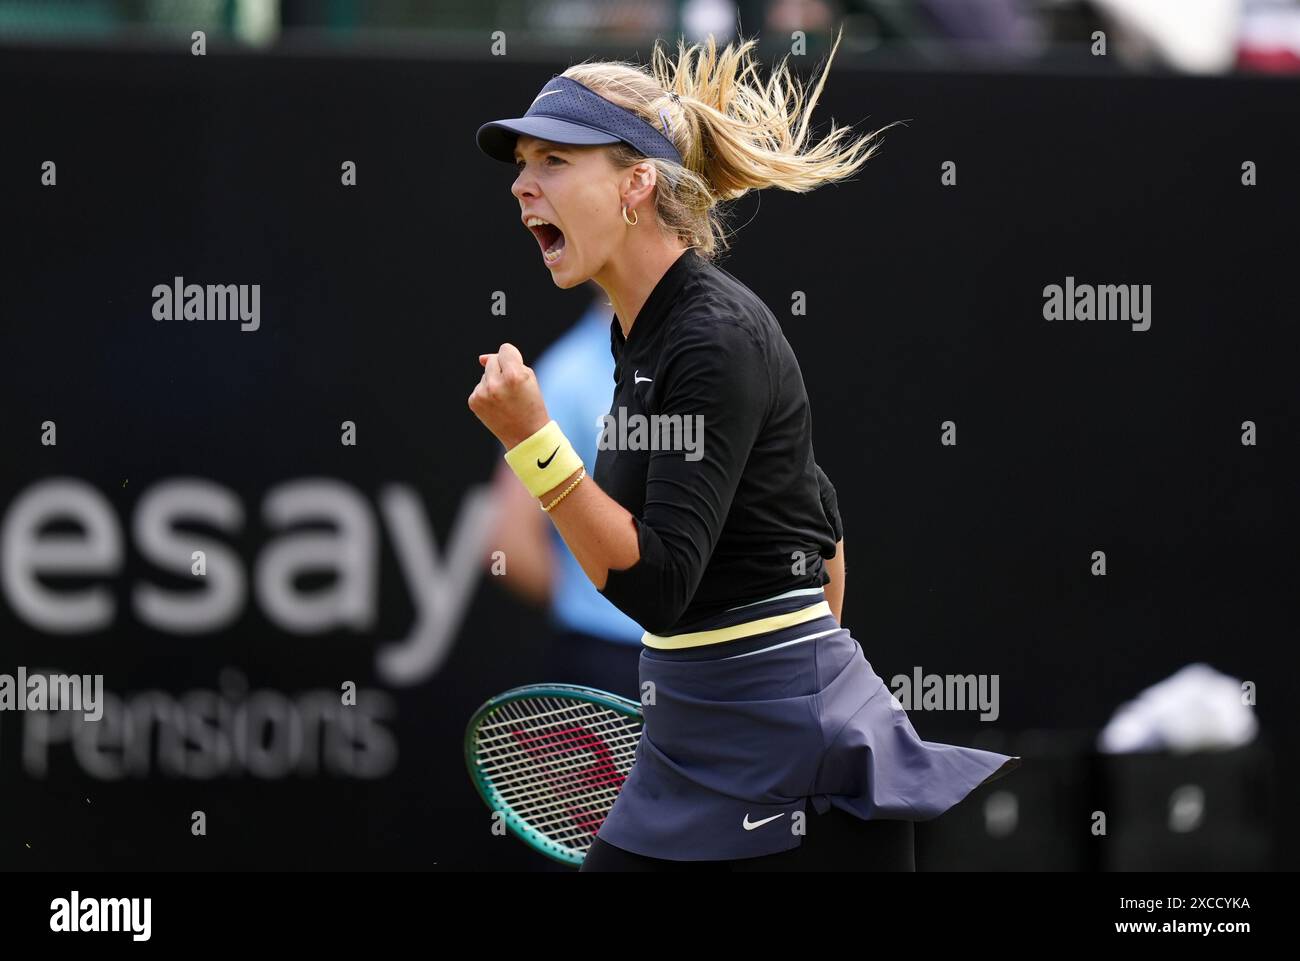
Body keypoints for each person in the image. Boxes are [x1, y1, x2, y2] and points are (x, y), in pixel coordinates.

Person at [468, 28, 1020, 871]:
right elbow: (821, 532)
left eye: (552, 160)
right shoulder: (643, 334)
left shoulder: (711, 337)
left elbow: (657, 584)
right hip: (702, 733)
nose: (521, 185)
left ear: (637, 184)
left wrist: (534, 444)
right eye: (522, 163)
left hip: (796, 772)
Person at [485, 281, 644, 700]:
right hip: (608, 664)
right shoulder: (566, 375)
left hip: (711, 660)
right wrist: (604, 599)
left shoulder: (717, 354)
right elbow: (511, 543)